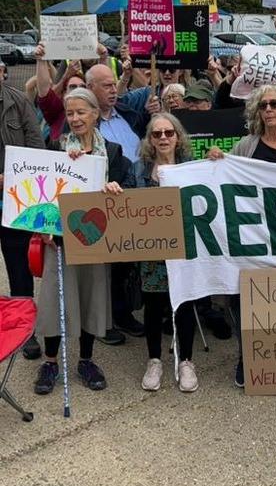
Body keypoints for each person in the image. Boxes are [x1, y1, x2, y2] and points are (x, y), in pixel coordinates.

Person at [207, 84, 276, 385]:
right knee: (248, 299)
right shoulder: (246, 146)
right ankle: (248, 357)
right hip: (252, 237)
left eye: (275, 104)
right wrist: (218, 159)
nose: (269, 110)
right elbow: (225, 180)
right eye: (263, 105)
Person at [32, 88, 134, 395]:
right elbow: (43, 193)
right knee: (54, 301)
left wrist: (115, 188)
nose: (75, 119)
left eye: (81, 112)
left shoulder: (113, 153)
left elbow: (126, 197)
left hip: (95, 241)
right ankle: (50, 361)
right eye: (70, 113)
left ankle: (86, 360)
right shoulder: (56, 148)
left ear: (94, 114)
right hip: (60, 240)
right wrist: (45, 228)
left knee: (90, 299)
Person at [134, 113, 199, 392]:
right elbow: (125, 202)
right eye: (157, 134)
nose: (163, 138)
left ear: (178, 136)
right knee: (153, 305)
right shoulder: (138, 170)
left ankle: (186, 361)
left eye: (169, 133)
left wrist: (219, 162)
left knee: (184, 303)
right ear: (150, 139)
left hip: (184, 247)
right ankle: (155, 360)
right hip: (151, 249)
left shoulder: (192, 167)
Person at [84, 63, 149, 342]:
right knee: (104, 267)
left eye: (114, 84)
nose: (114, 90)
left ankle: (122, 315)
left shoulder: (128, 114)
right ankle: (102, 321)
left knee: (125, 265)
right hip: (107, 199)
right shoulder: (84, 124)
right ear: (90, 89)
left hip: (137, 195)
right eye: (107, 85)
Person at [0, 48, 48, 359]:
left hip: (13, 201)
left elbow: (36, 146)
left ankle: (24, 329)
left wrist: (17, 180)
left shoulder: (18, 102)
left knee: (19, 267)